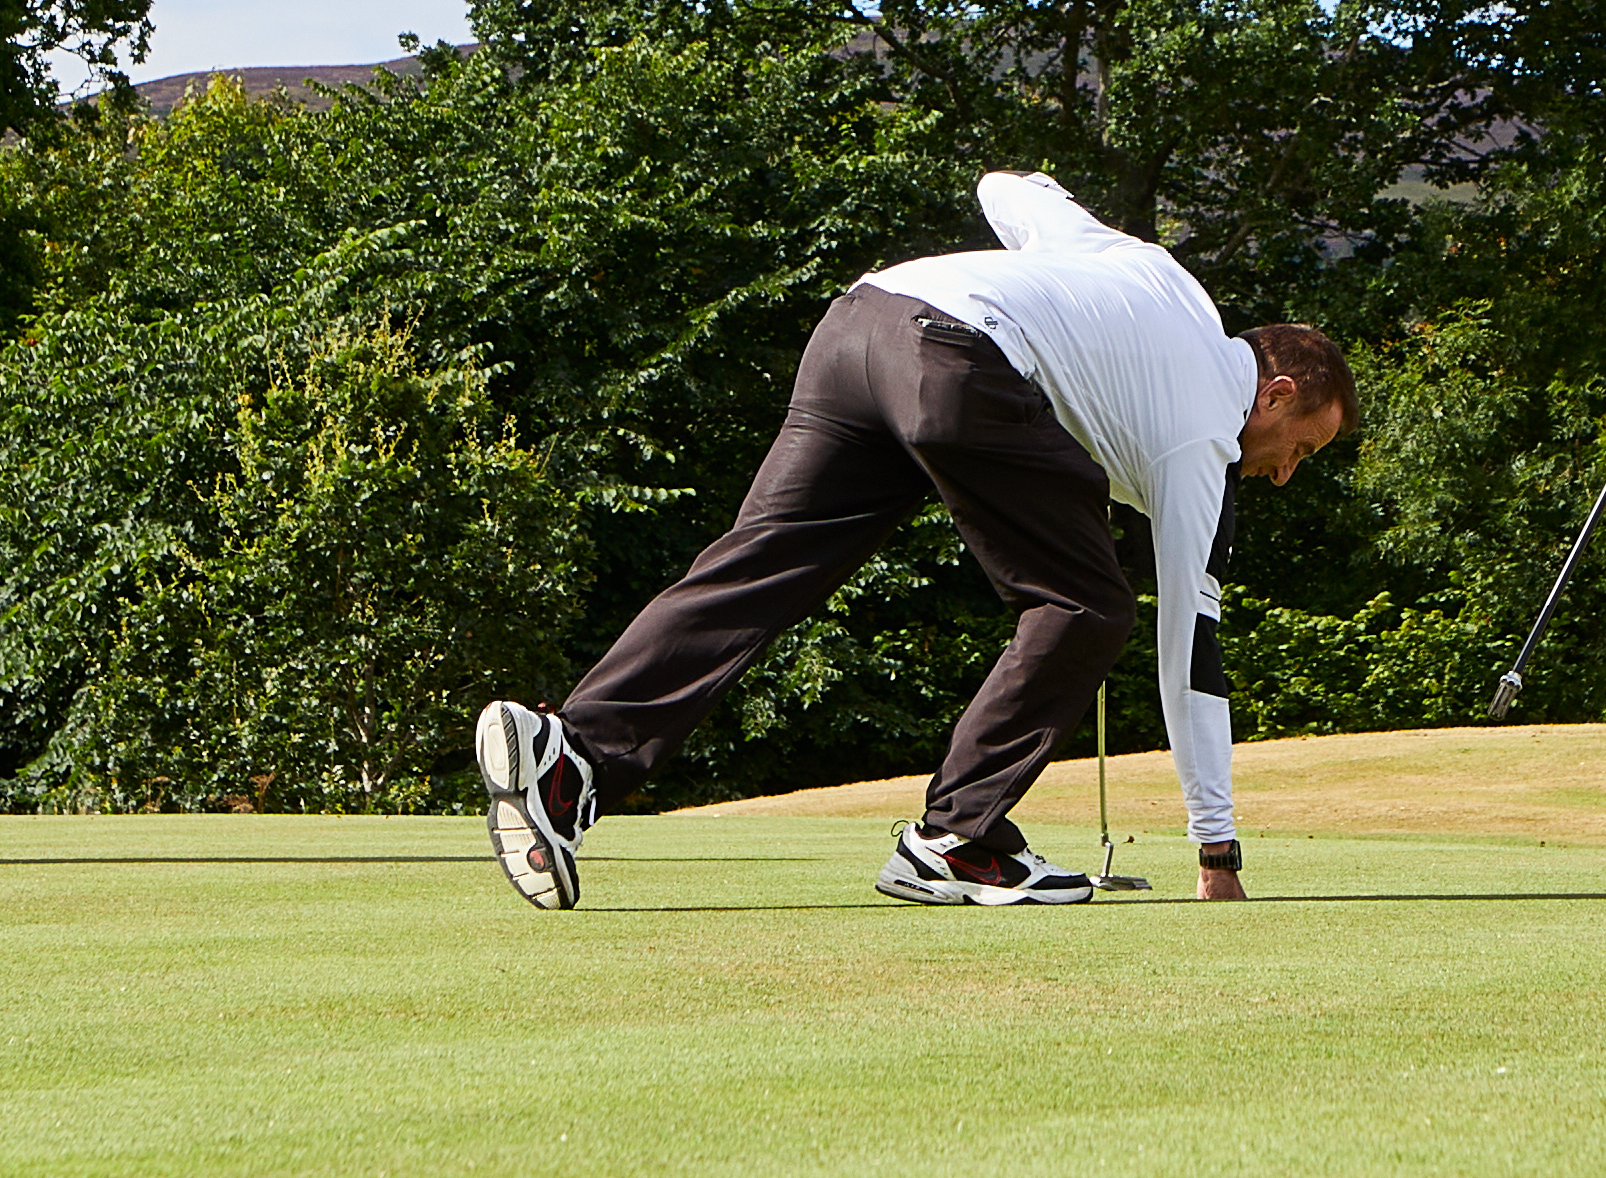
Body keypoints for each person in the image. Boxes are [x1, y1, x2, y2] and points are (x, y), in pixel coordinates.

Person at [474, 173, 1351, 912]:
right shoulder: (1203, 436)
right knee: (1089, 606)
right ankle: (957, 840)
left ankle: (572, 757)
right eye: (1301, 448)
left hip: (859, 324)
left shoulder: (1150, 270)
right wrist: (1217, 850)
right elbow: (1189, 655)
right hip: (958, 357)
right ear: (1273, 393)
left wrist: (1044, 281)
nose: (1283, 475)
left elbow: (1007, 187)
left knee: (761, 562)